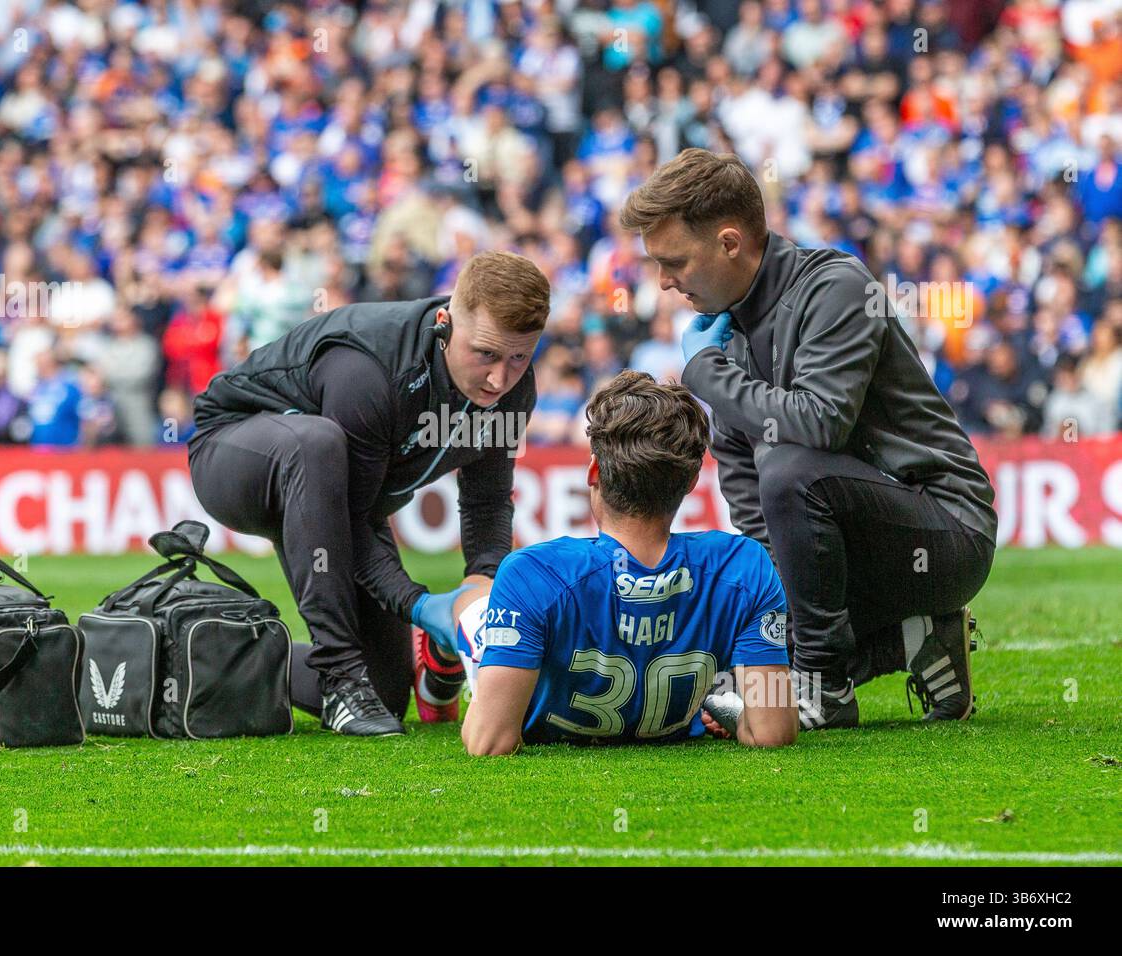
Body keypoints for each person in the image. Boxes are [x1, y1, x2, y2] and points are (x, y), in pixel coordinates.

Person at [619, 148, 998, 728]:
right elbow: (752, 508)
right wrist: (771, 633)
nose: (664, 282)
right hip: (845, 551)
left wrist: (709, 375)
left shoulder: (835, 286)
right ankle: (920, 637)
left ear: (729, 242)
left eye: (673, 262)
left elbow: (822, 422)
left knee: (792, 468)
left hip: (947, 529)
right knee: (724, 642)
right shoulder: (732, 331)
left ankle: (822, 689)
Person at [188, 251, 549, 736]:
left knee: (383, 693)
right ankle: (340, 677)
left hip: (341, 496)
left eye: (519, 357)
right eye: (485, 354)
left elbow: (487, 499)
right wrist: (421, 605)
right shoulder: (373, 373)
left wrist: (479, 585)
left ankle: (204, 658)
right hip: (235, 450)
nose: (499, 378)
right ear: (445, 324)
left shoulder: (513, 389)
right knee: (316, 445)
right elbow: (349, 522)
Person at [443, 370, 796, 755]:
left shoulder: (531, 572)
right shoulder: (745, 566)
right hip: (667, 711)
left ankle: (438, 651)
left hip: (545, 698)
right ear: (693, 480)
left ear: (593, 471)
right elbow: (772, 731)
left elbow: (488, 742)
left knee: (476, 596)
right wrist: (724, 707)